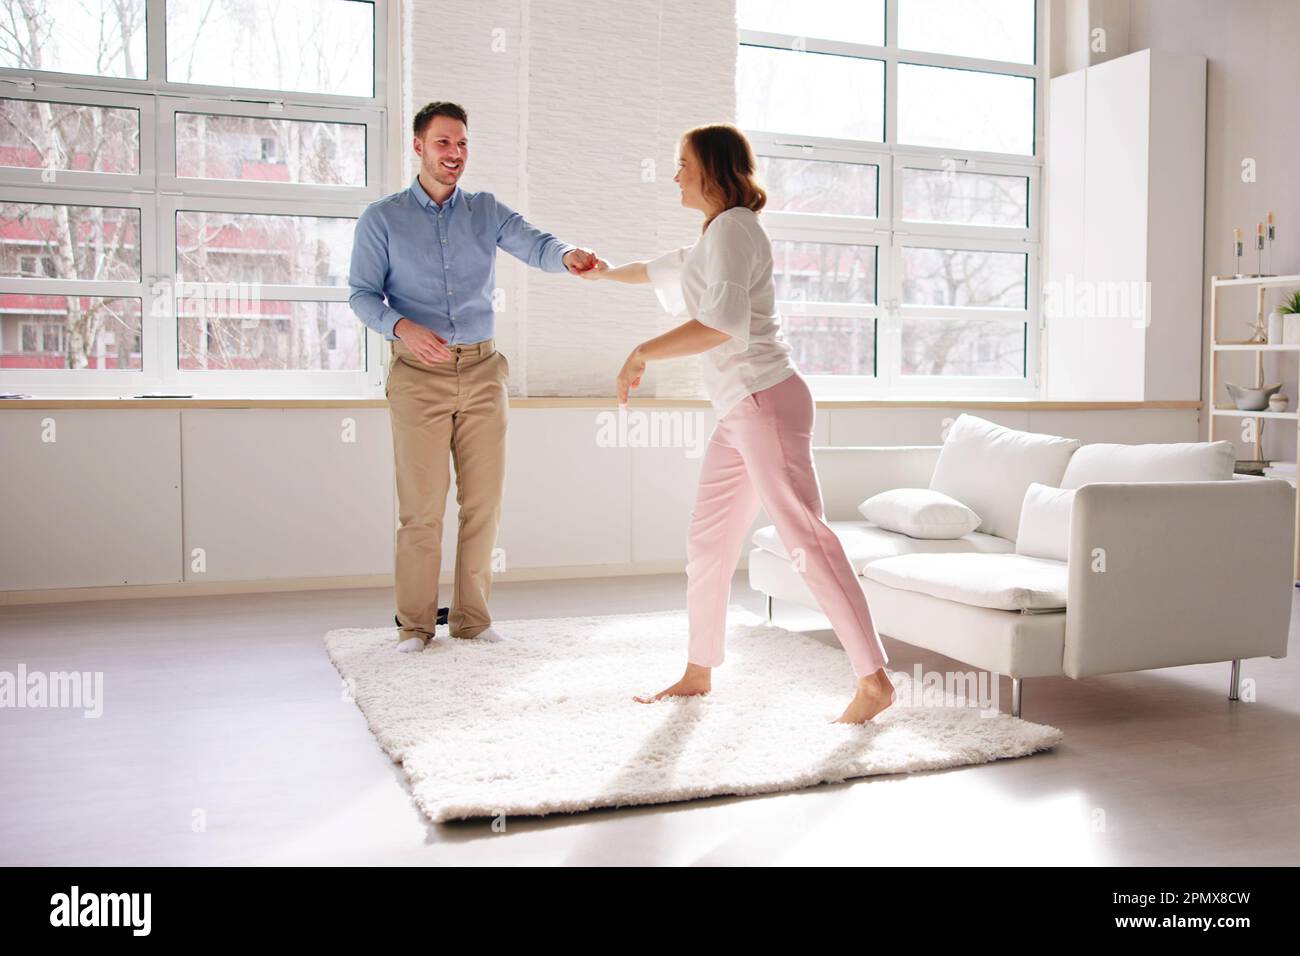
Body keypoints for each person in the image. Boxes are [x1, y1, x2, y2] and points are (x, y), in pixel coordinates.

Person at [581, 124, 896, 723]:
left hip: (763, 403)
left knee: (806, 538)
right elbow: (663, 269)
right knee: (709, 542)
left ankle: (873, 678)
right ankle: (699, 671)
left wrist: (641, 351)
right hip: (740, 409)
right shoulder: (718, 234)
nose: (675, 175)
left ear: (711, 169)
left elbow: (721, 322)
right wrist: (602, 274)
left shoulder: (731, 231)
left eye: (682, 164)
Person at [349, 101, 600, 651]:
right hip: (419, 373)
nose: (454, 154)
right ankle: (415, 626)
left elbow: (535, 243)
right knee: (421, 510)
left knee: (483, 504)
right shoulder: (382, 218)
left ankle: (472, 621)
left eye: (462, 144)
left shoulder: (484, 211)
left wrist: (568, 255)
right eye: (443, 143)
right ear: (418, 147)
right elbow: (361, 295)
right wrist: (402, 328)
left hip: (484, 370)